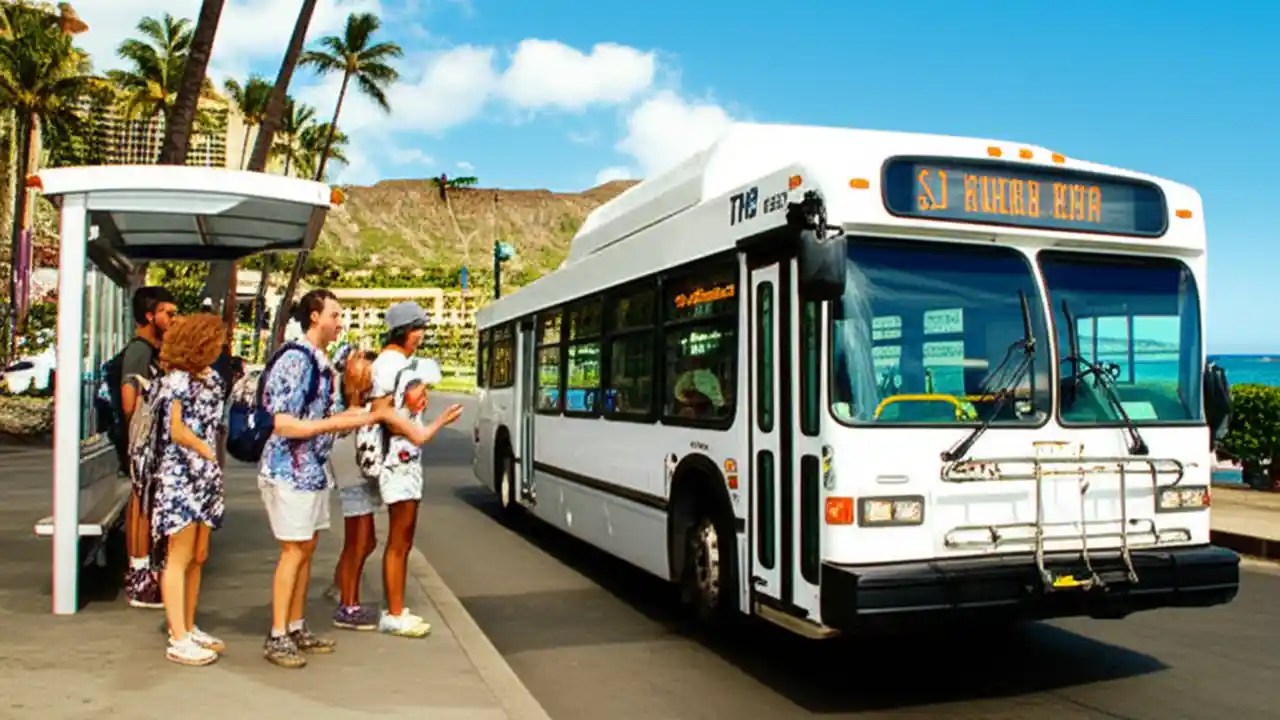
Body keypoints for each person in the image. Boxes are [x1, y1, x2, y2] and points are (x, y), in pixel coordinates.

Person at [257, 289, 391, 669]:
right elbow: (282, 423)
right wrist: (335, 422)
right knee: (293, 552)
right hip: (288, 472)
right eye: (335, 314)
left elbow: (335, 416)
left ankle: (295, 627)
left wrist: (367, 414)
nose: (339, 322)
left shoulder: (320, 362)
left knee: (306, 550)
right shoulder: (295, 361)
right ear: (314, 317)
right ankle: (278, 634)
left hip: (310, 473)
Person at [148, 313, 227, 666]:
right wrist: (205, 450)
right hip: (180, 476)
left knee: (198, 555)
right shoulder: (175, 381)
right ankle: (177, 635)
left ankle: (188, 625)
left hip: (204, 477)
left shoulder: (211, 379)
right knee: (178, 556)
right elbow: (176, 429)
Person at [376, 358, 462, 637]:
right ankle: (394, 613)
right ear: (404, 391)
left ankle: (397, 609)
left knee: (405, 542)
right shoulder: (396, 417)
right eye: (420, 390)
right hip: (397, 479)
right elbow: (420, 436)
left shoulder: (410, 414)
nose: (425, 395)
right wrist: (443, 420)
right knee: (398, 543)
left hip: (410, 479)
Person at [119, 286, 177, 609]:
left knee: (145, 501)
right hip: (143, 440)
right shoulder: (140, 351)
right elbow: (130, 396)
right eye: (167, 313)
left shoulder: (154, 350)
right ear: (148, 315)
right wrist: (142, 426)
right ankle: (138, 574)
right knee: (141, 504)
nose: (172, 319)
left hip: (149, 440)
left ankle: (143, 571)